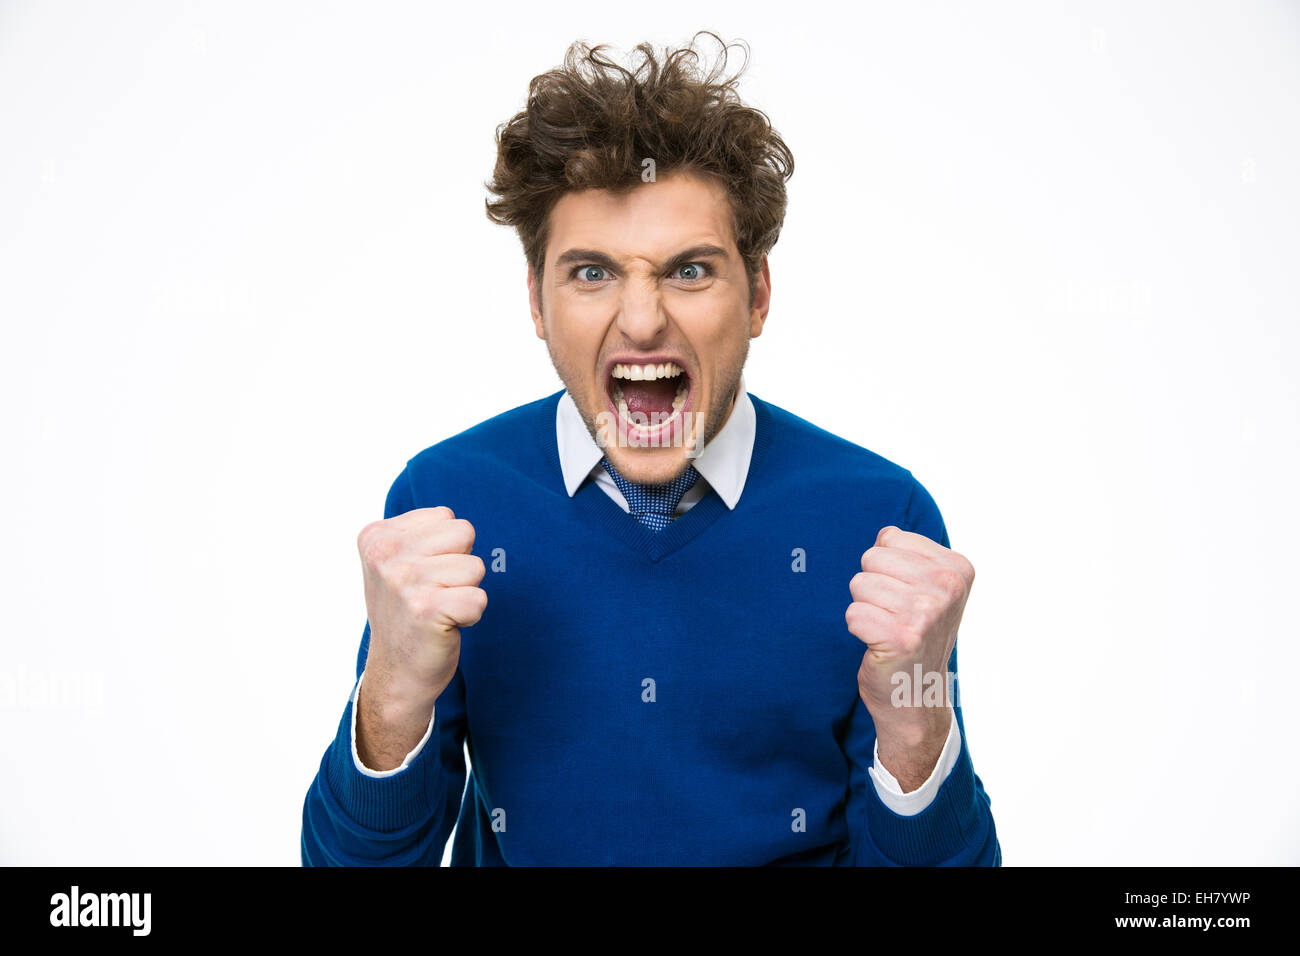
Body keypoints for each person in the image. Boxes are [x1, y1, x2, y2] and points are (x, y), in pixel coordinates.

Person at [300, 31, 1000, 866]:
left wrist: (917, 721)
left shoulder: (880, 518)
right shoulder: (446, 503)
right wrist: (392, 697)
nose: (640, 320)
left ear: (758, 295)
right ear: (536, 301)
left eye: (690, 271)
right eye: (591, 273)